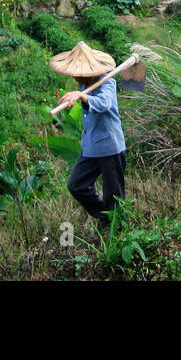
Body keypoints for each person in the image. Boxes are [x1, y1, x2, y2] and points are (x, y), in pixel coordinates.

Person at [50, 42, 126, 229]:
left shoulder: (107, 82)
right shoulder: (84, 86)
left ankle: (115, 226)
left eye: (80, 73)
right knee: (77, 184)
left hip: (110, 147)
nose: (77, 77)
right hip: (91, 147)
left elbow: (104, 104)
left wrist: (82, 96)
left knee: (113, 193)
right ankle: (105, 215)